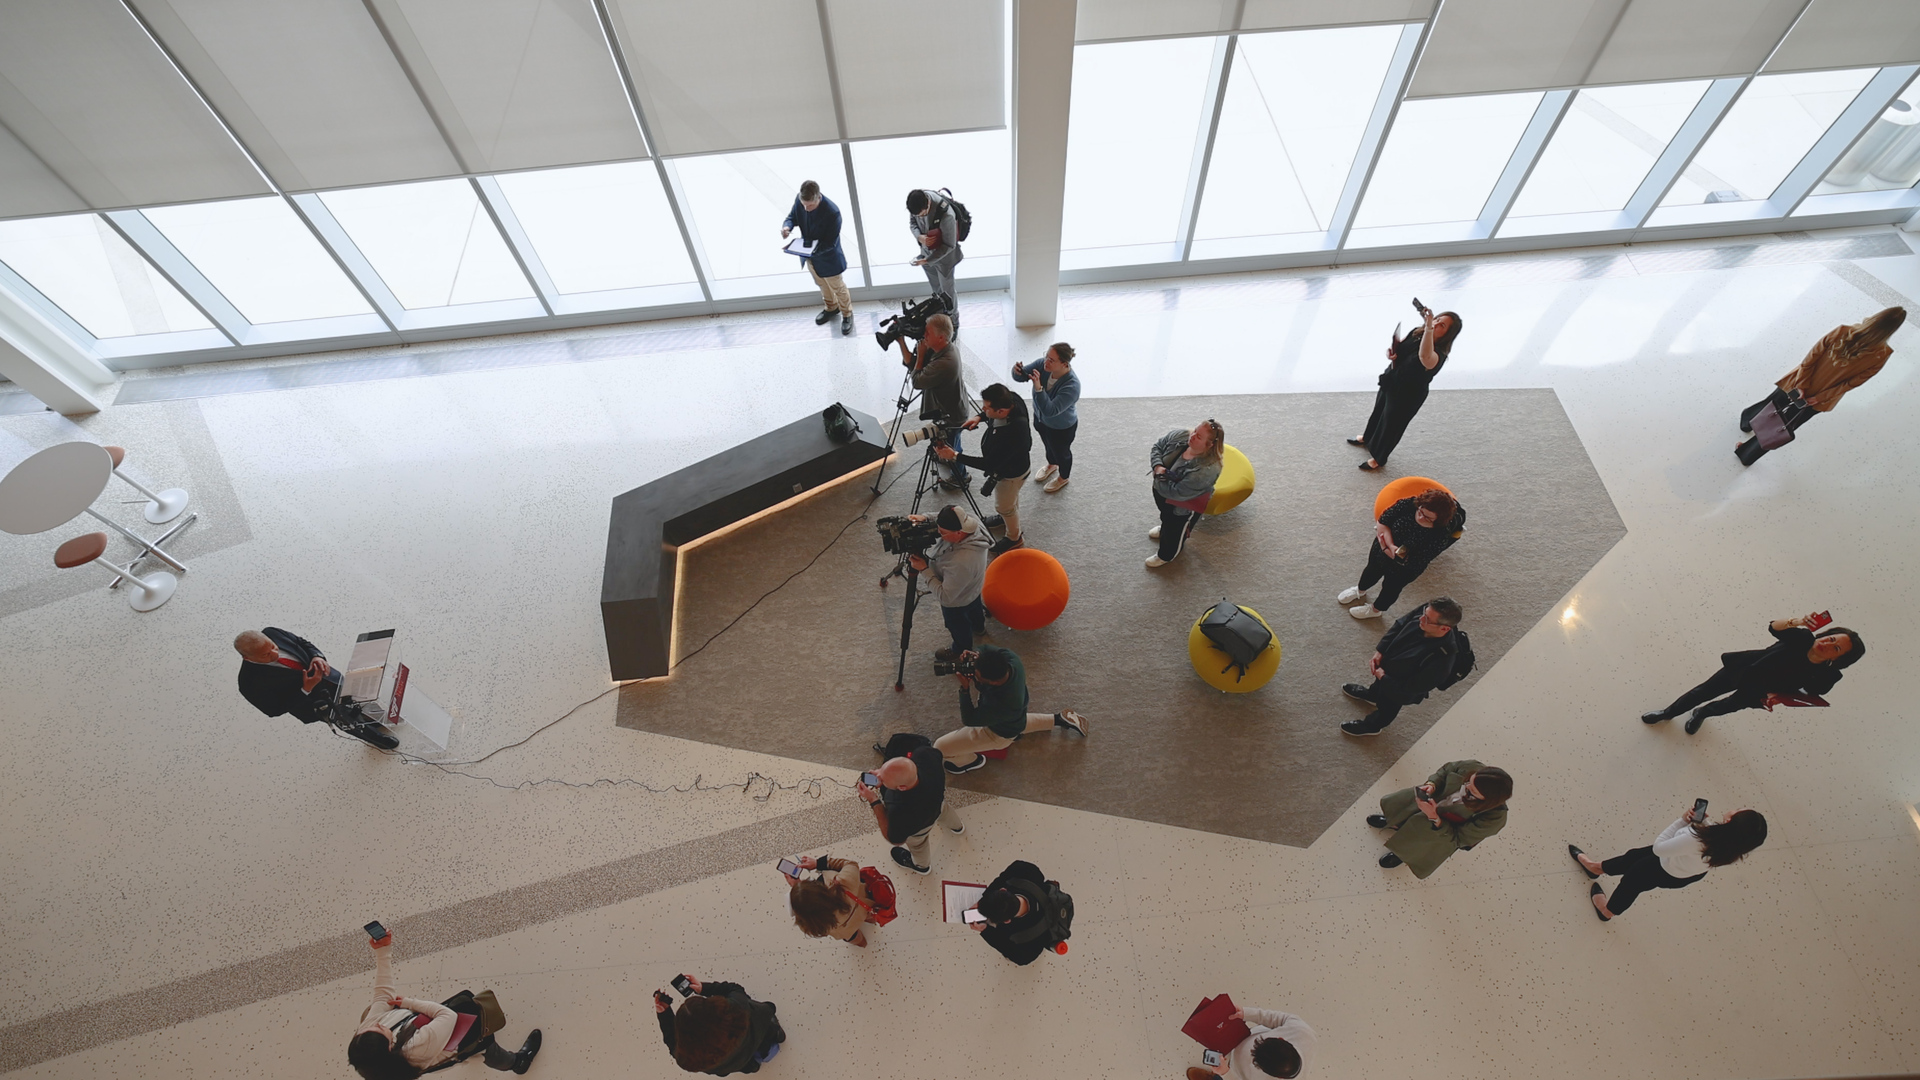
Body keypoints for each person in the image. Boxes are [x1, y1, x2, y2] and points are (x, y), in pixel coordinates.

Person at [349, 930, 541, 1078]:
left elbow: (383, 996)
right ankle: (518, 1063)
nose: (375, 1023)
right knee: (486, 1048)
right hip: (449, 1040)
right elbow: (448, 1016)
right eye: (380, 1028)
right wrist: (410, 1003)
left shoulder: (366, 1040)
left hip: (430, 1030)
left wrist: (383, 951)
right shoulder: (415, 1050)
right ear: (390, 1047)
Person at [1641, 613, 1863, 735]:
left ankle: (1701, 714)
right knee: (1701, 691)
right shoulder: (1803, 638)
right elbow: (1774, 627)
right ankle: (1668, 713)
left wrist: (1780, 696)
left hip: (1760, 691)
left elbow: (1809, 693)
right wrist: (1798, 621)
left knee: (1724, 707)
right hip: (1745, 669)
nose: (1827, 643)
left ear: (1839, 659)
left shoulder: (1827, 675)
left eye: (1836, 648)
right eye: (1831, 638)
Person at [1736, 305, 1902, 465]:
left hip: (1799, 381)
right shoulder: (1883, 354)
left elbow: (1811, 357)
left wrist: (1802, 384)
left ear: (1875, 317)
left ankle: (1748, 421)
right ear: (1893, 330)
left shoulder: (1843, 331)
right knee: (1784, 425)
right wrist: (1820, 397)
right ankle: (1747, 454)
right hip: (1821, 399)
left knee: (1772, 404)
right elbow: (1852, 383)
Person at [1570, 806, 1768, 921]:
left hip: (1663, 866)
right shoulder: (1732, 847)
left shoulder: (1696, 838)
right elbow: (1711, 837)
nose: (1734, 809)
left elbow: (1658, 848)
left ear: (1731, 821)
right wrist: (1706, 823)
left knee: (1631, 883)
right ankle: (1596, 867)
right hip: (1684, 871)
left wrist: (1681, 821)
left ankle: (1608, 911)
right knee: (1632, 857)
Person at [932, 644, 1088, 773]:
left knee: (940, 747)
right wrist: (977, 654)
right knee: (1017, 722)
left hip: (998, 734)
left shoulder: (1003, 703)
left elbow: (970, 719)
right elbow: (988, 649)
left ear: (992, 682)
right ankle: (1060, 718)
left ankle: (972, 761)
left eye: (977, 676)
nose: (973, 674)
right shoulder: (1012, 660)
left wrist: (965, 689)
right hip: (1016, 717)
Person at [234, 628, 398, 749]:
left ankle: (377, 718)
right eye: (266, 655)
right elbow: (273, 710)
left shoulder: (273, 632)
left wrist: (317, 657)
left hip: (331, 678)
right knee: (348, 721)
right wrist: (305, 689)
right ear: (247, 658)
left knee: (358, 698)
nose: (274, 653)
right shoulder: (249, 683)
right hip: (315, 703)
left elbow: (302, 643)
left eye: (272, 646)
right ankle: (377, 739)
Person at [1351, 305, 1462, 470]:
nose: (1436, 324)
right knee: (1379, 410)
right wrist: (1391, 354)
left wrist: (1429, 329)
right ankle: (1367, 437)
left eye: (1442, 326)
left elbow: (1424, 356)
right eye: (1437, 319)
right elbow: (1399, 349)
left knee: (1392, 425)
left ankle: (1379, 458)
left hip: (1408, 394)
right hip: (1392, 378)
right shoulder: (1417, 332)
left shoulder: (1438, 355)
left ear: (1448, 335)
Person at [1339, 597, 1467, 737]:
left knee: (1388, 708)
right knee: (1378, 687)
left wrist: (1383, 677)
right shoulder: (1427, 613)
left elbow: (1412, 687)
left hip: (1399, 689)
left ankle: (1373, 726)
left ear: (1444, 628)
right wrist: (1381, 650)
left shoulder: (1443, 661)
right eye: (1424, 612)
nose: (1420, 618)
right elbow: (1400, 625)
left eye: (1426, 618)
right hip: (1388, 666)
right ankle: (1372, 696)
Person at [1338, 487, 1465, 619]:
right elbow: (1383, 522)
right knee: (1371, 570)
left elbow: (1412, 560)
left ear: (1438, 520)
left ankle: (1376, 610)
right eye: (1420, 511)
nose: (1421, 517)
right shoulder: (1410, 504)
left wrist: (1386, 548)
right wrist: (1390, 546)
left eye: (1427, 518)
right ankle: (1360, 590)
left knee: (1391, 588)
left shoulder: (1440, 535)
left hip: (1404, 568)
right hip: (1384, 547)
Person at [1366, 760, 1511, 875]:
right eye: (1468, 781)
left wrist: (1433, 817)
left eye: (1471, 791)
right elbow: (1446, 770)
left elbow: (1457, 839)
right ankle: (1395, 822)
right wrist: (1432, 784)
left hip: (1439, 831)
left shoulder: (1494, 818)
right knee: (1406, 810)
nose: (1465, 786)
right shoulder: (1472, 767)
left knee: (1420, 841)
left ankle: (1403, 854)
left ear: (1486, 800)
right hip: (1434, 799)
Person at [936, 383, 1032, 554]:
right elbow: (992, 413)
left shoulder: (1014, 433)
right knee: (1010, 500)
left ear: (1001, 411)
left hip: (1010, 474)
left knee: (1005, 505)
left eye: (987, 407)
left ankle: (1014, 537)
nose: (983, 408)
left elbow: (988, 463)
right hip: (1016, 467)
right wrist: (980, 417)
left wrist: (955, 456)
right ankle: (1006, 518)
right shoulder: (1013, 399)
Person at [860, 733, 962, 874]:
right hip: (937, 803)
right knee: (944, 811)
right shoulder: (925, 755)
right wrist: (885, 776)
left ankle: (922, 867)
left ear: (901, 787)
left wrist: (874, 800)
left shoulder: (897, 805)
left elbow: (895, 839)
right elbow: (935, 755)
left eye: (883, 779)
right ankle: (957, 828)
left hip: (920, 828)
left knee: (919, 845)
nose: (878, 777)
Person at [906, 505, 991, 661]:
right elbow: (950, 514)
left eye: (942, 532)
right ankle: (979, 628)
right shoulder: (972, 522)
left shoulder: (962, 561)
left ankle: (961, 650)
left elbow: (946, 597)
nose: (938, 533)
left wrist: (924, 569)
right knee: (974, 608)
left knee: (958, 625)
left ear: (958, 533)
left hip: (956, 601)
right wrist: (926, 517)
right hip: (973, 588)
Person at [653, 976, 784, 1074]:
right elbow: (734, 989)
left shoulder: (689, 1057)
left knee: (745, 1065)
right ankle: (777, 1035)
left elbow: (672, 1042)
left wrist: (664, 1014)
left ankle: (752, 1067)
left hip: (734, 1063)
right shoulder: (736, 1008)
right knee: (767, 1013)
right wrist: (703, 988)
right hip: (757, 1031)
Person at [897, 312, 969, 484]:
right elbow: (912, 365)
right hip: (947, 408)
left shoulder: (945, 362)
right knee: (945, 442)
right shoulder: (943, 348)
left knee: (952, 447)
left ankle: (961, 478)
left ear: (941, 337)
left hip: (952, 416)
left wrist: (921, 356)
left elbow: (917, 381)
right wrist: (901, 342)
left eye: (927, 333)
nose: (924, 336)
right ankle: (946, 458)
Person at [1146, 420, 1225, 568]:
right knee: (1166, 516)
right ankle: (1165, 528)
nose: (1192, 436)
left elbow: (1177, 493)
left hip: (1182, 506)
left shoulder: (1206, 470)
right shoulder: (1182, 435)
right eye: (1195, 430)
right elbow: (1158, 446)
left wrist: (1158, 477)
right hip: (1163, 491)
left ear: (1210, 445)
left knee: (1175, 530)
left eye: (1199, 437)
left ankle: (1167, 555)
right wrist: (1158, 467)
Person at [781, 180, 852, 337]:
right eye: (803, 205)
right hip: (810, 256)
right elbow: (792, 217)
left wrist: (809, 251)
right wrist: (787, 226)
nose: (806, 209)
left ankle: (847, 314)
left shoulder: (832, 213)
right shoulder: (801, 200)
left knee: (837, 287)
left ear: (818, 197)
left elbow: (830, 243)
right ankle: (831, 308)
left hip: (828, 258)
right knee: (821, 283)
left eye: (810, 206)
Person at [971, 859, 1070, 966]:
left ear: (1007, 921)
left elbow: (1017, 956)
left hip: (1049, 929)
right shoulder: (1028, 874)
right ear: (1003, 890)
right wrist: (985, 898)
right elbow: (1019, 865)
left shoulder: (1021, 937)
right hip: (1052, 904)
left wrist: (986, 931)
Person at [1014, 342, 1079, 494]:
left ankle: (1064, 477)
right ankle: (1052, 464)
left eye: (1051, 360)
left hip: (1061, 427)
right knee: (1048, 446)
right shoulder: (1043, 365)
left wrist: (1038, 388)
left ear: (1064, 363)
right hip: (1041, 420)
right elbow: (1022, 376)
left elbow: (1050, 410)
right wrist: (1017, 371)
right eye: (1046, 356)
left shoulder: (1072, 386)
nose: (1045, 362)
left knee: (1062, 452)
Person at [1186, 1005, 1316, 1080]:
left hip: (1236, 1073)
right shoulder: (1303, 1032)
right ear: (1281, 1039)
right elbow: (1280, 1018)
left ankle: (1216, 1077)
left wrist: (1225, 1072)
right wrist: (1246, 1014)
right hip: (1240, 1041)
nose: (1251, 1048)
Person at [785, 854, 878, 947]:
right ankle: (871, 920)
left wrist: (797, 890)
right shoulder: (844, 884)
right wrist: (818, 863)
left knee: (852, 936)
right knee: (868, 914)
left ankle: (862, 943)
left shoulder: (811, 924)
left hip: (844, 931)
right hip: (863, 906)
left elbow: (807, 908)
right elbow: (851, 865)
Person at [906, 188, 964, 326]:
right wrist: (919, 237)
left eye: (921, 215)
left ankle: (953, 321)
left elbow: (950, 245)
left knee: (948, 292)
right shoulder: (916, 205)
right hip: (927, 255)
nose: (919, 217)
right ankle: (942, 315)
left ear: (927, 205)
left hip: (945, 260)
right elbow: (913, 223)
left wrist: (928, 260)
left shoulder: (946, 214)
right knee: (936, 289)